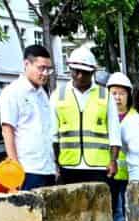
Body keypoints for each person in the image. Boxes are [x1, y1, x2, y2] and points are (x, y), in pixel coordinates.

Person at [52, 45, 119, 185]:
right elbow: (52, 135)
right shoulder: (58, 95)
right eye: (76, 72)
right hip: (68, 166)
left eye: (85, 72)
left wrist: (113, 161)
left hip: (99, 167)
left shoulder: (105, 95)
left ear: (93, 71)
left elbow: (114, 134)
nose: (80, 76)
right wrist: (55, 165)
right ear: (70, 69)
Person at [1, 44, 56, 190]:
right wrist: (15, 172)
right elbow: (8, 131)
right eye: (41, 68)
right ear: (27, 64)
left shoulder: (43, 95)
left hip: (47, 168)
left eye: (48, 69)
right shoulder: (12, 92)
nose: (45, 73)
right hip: (27, 170)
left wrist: (54, 165)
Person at [106, 71, 134, 221]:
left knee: (125, 209)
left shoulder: (135, 117)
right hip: (107, 172)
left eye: (121, 93)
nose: (117, 98)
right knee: (110, 209)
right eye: (114, 93)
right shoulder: (103, 115)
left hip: (128, 173)